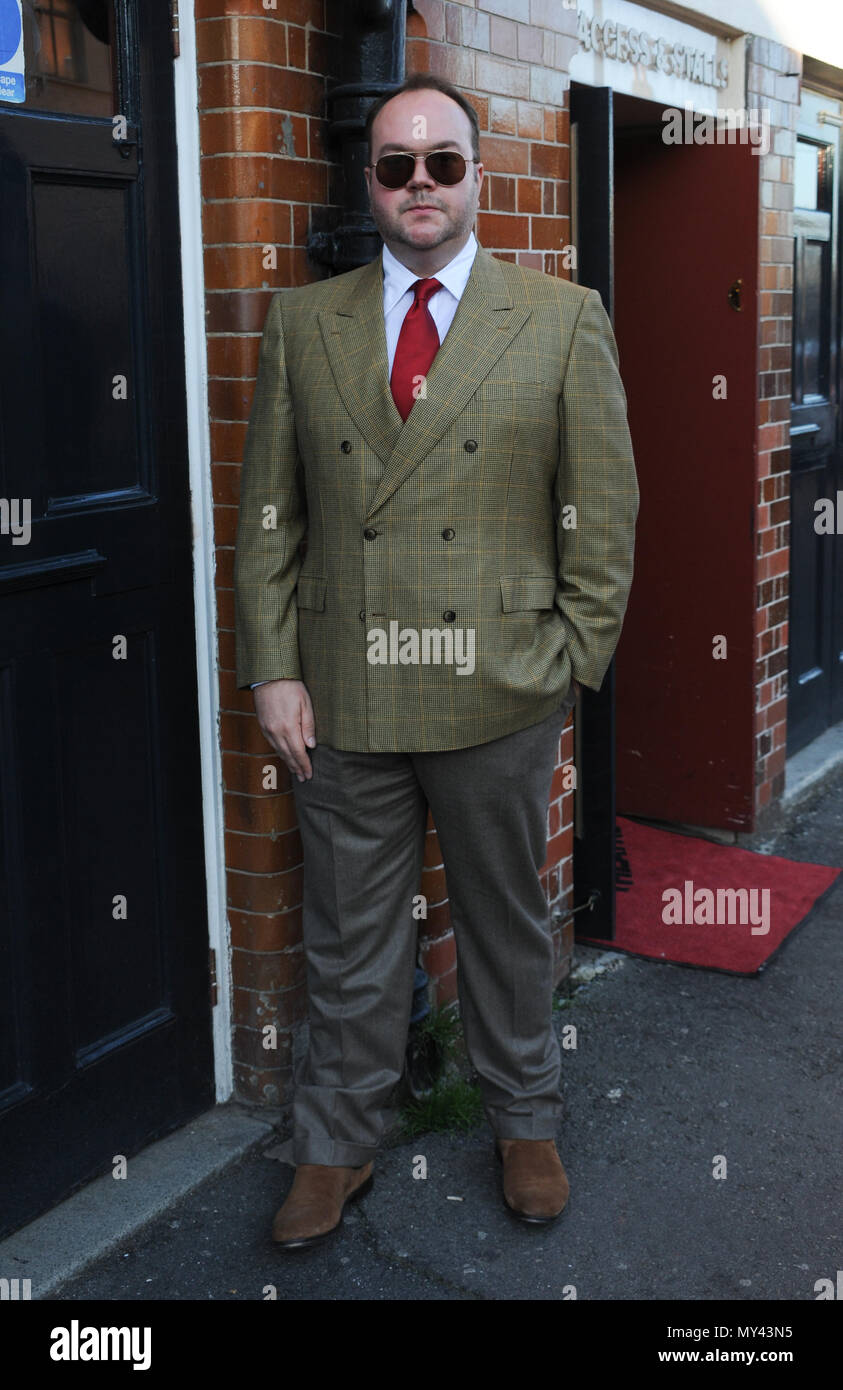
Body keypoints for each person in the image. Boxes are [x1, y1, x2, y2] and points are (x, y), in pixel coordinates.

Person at [234, 72, 639, 1250]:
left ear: (479, 177)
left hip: (498, 685)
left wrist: (568, 656)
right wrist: (272, 667)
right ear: (371, 182)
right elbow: (272, 514)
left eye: (443, 163)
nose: (421, 183)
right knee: (350, 936)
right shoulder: (306, 324)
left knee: (509, 926)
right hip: (345, 690)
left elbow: (602, 512)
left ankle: (525, 1120)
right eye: (397, 163)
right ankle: (335, 1140)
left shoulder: (561, 318)